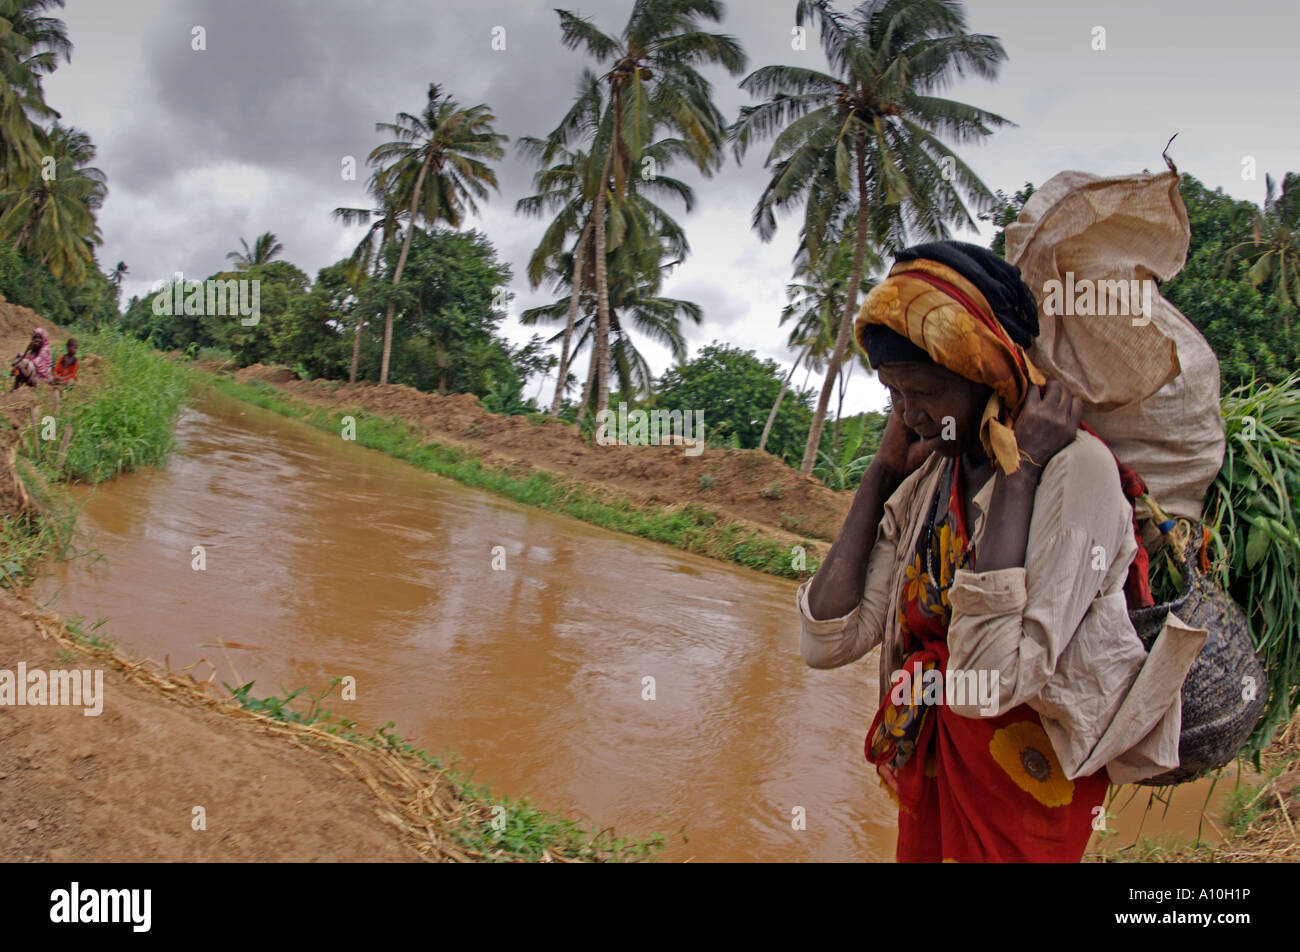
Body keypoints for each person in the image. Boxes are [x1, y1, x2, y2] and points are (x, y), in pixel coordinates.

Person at [797, 241, 1205, 863]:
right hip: (938, 771)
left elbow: (986, 686)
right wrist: (881, 473)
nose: (910, 415)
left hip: (1024, 792)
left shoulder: (1077, 474)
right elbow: (827, 640)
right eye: (894, 394)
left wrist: (1022, 473)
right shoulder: (932, 481)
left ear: (987, 373)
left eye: (925, 391)